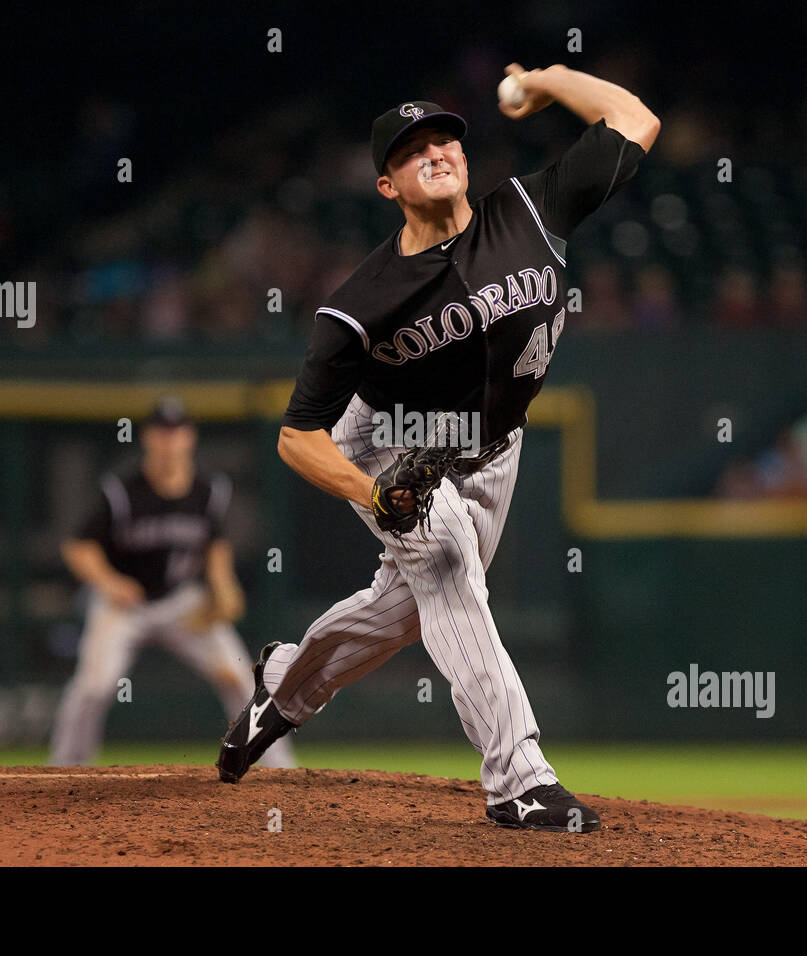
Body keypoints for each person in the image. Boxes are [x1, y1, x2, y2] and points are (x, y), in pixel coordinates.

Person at [217, 64, 660, 832]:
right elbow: (298, 436)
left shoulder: (529, 208)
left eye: (445, 139)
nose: (436, 152)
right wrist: (372, 492)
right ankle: (518, 779)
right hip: (392, 440)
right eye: (412, 149)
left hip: (493, 447)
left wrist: (548, 80)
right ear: (387, 186)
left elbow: (636, 120)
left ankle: (285, 685)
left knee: (407, 612)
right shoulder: (361, 303)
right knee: (450, 567)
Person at [49, 396, 296, 770]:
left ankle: (276, 767)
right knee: (94, 686)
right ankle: (66, 768)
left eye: (177, 431)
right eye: (162, 432)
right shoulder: (123, 492)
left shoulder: (209, 492)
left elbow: (214, 546)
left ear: (189, 438)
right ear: (148, 438)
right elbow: (78, 548)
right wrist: (109, 582)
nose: (170, 440)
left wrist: (222, 584)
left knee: (239, 676)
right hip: (125, 605)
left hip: (182, 602)